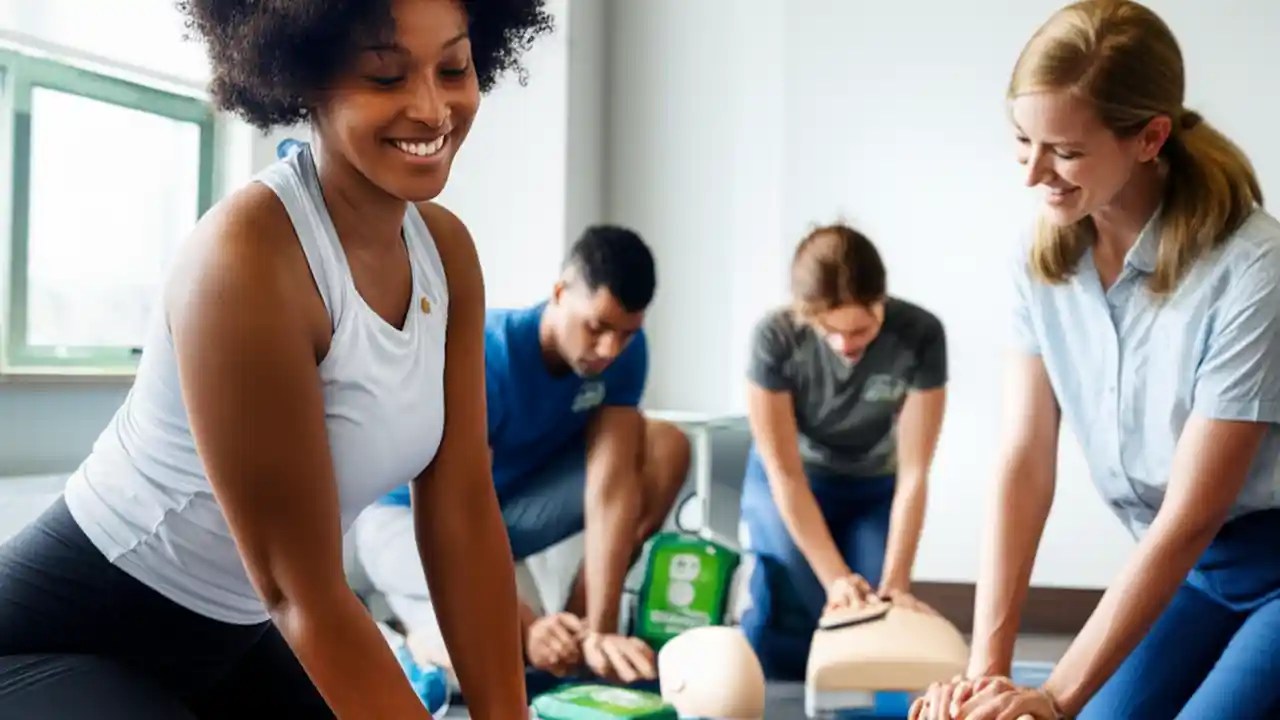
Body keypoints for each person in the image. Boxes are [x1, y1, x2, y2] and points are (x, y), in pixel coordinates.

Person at [0, 0, 552, 717]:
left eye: (453, 68)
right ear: (302, 77)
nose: (431, 107)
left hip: (235, 636)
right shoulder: (247, 258)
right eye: (385, 77)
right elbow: (301, 591)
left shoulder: (447, 255)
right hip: (68, 637)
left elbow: (462, 510)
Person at [911, 2, 1278, 719]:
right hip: (1192, 575)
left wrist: (1051, 696)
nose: (1034, 175)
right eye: (1023, 141)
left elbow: (1192, 514)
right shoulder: (1042, 255)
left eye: (1066, 152)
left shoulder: (1254, 267)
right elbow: (1024, 461)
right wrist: (986, 676)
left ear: (1150, 138)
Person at [356, 225, 693, 686]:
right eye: (597, 327)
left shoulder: (624, 355)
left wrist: (599, 630)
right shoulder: (489, 353)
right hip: (411, 524)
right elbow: (455, 512)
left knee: (665, 445)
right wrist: (528, 625)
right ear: (559, 293)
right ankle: (411, 643)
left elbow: (611, 488)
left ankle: (577, 634)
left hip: (504, 513)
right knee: (496, 657)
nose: (609, 350)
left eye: (626, 334)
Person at [738, 223, 948, 680]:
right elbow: (784, 474)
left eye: (860, 329)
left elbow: (914, 473)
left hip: (873, 483)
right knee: (801, 589)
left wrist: (896, 582)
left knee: (872, 605)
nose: (845, 345)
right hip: (793, 477)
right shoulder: (774, 339)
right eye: (829, 331)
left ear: (881, 301)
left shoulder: (921, 334)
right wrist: (834, 576)